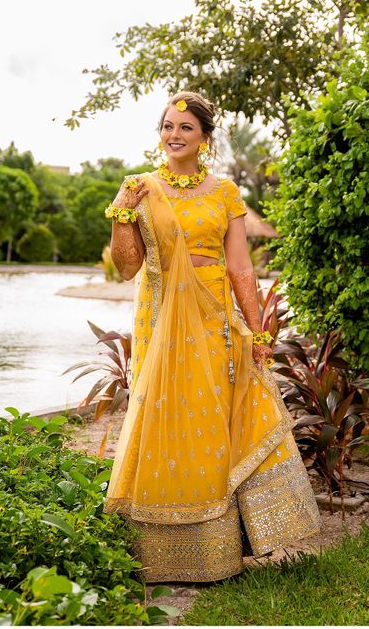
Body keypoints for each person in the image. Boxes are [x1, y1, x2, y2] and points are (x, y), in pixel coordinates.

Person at [103, 90, 319, 582]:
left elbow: (241, 267)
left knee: (211, 418)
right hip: (161, 318)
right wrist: (121, 211)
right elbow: (126, 267)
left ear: (204, 137)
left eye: (185, 128)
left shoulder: (224, 193)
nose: (173, 136)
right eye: (167, 126)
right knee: (166, 414)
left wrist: (258, 329)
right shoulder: (139, 187)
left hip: (215, 317)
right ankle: (156, 553)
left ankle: (220, 554)